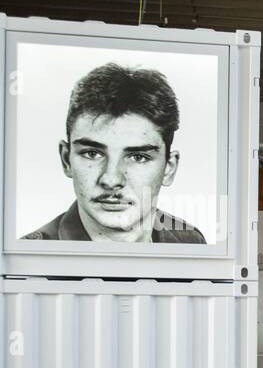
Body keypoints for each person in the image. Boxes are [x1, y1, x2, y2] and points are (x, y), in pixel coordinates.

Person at [26, 63, 205, 244]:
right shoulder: (28, 260)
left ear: (169, 169)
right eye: (92, 154)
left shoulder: (191, 242)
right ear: (66, 160)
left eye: (138, 157)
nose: (111, 180)